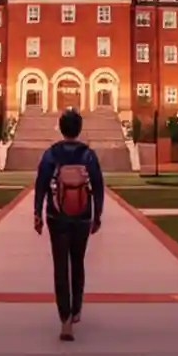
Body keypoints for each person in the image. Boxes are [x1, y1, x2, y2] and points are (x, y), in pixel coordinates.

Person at [33, 108, 105, 341]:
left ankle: (64, 318)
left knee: (60, 266)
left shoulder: (52, 154)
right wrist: (97, 215)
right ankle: (76, 310)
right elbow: (98, 186)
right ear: (79, 129)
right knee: (78, 263)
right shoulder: (88, 155)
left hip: (57, 215)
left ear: (61, 128)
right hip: (82, 215)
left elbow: (41, 183)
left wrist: (37, 213)